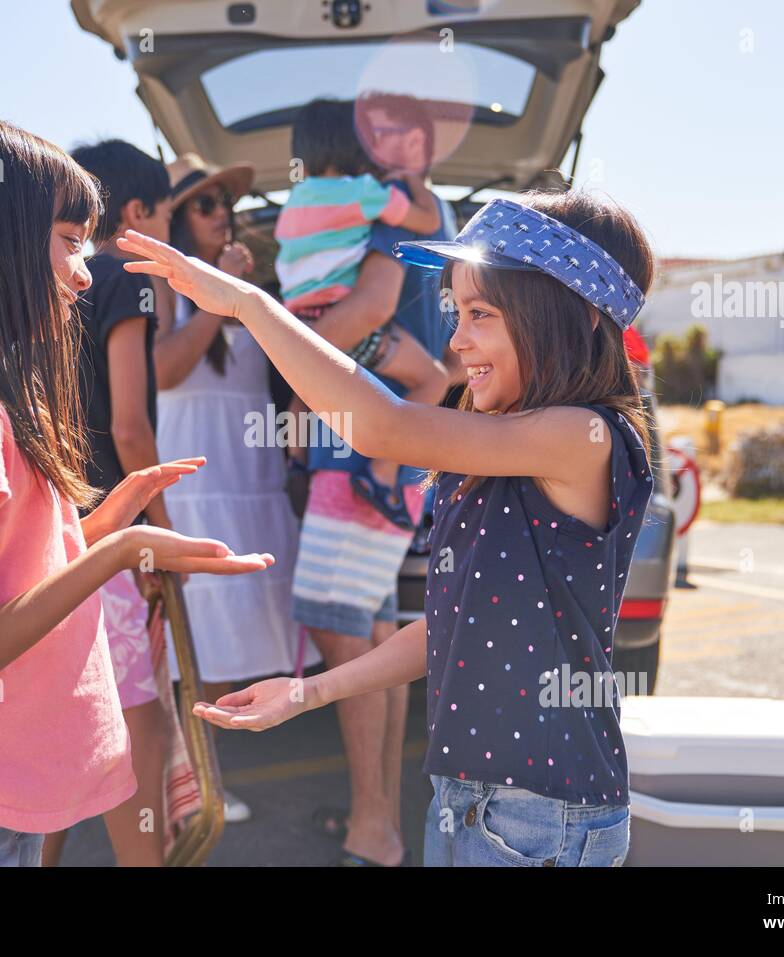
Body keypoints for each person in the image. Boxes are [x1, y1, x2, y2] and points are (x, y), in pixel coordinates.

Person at [117, 187, 656, 868]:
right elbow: (452, 626)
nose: (458, 340)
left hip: (542, 815)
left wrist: (252, 305)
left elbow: (383, 426)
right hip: (468, 803)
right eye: (457, 313)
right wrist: (306, 692)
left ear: (563, 316)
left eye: (481, 314)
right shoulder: (511, 446)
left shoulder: (585, 436)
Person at [0, 110, 272, 868]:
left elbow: (2, 579)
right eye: (71, 242)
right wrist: (122, 551)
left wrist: (102, 524)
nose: (84, 270)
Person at [285, 91, 457, 866]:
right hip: (382, 447)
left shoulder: (386, 212)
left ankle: (376, 829)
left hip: (360, 448)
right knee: (374, 630)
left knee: (336, 623)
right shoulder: (417, 210)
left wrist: (294, 387)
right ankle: (377, 817)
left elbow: (371, 306)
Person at [152, 154, 309, 824]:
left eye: (226, 204)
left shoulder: (250, 284)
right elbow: (163, 370)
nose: (225, 215)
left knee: (244, 642)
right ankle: (192, 788)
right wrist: (224, 298)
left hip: (255, 484)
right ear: (180, 221)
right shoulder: (170, 284)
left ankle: (200, 780)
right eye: (206, 205)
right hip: (199, 485)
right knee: (200, 648)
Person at [38, 139, 181, 868]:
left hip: (60, 531)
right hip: (114, 527)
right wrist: (163, 534)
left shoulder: (56, 278)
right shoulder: (126, 275)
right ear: (137, 213)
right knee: (137, 728)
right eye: (168, 212)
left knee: (62, 734)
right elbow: (130, 422)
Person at [276, 98, 448, 529]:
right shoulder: (369, 195)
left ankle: (296, 459)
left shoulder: (293, 202)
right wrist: (415, 187)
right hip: (350, 331)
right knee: (433, 378)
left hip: (302, 318)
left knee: (302, 389)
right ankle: (383, 473)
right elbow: (422, 227)